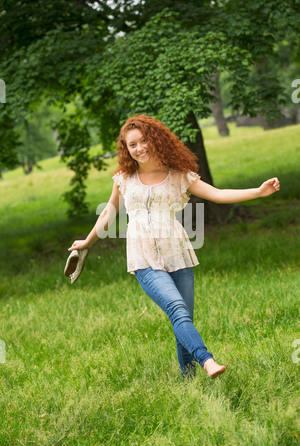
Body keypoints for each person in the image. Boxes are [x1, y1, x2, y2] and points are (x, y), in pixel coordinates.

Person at [68, 115, 280, 379]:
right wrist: (88, 241)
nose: (139, 148)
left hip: (177, 253)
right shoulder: (124, 178)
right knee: (177, 309)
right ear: (126, 148)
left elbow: (217, 194)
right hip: (143, 257)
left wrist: (257, 192)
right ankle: (207, 360)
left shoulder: (179, 175)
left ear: (156, 139)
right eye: (132, 144)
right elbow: (109, 212)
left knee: (183, 319)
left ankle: (188, 381)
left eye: (144, 140)